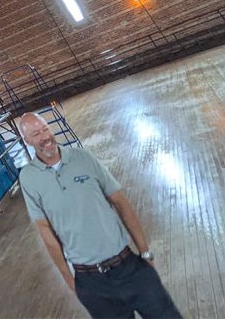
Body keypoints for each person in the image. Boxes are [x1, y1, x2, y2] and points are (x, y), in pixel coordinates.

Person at [16, 112, 182, 319]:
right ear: (27, 140)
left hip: (128, 266)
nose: (44, 137)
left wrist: (145, 252)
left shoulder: (82, 158)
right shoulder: (29, 177)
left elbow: (120, 202)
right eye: (35, 134)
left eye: (45, 129)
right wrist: (70, 280)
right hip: (91, 282)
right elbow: (45, 230)